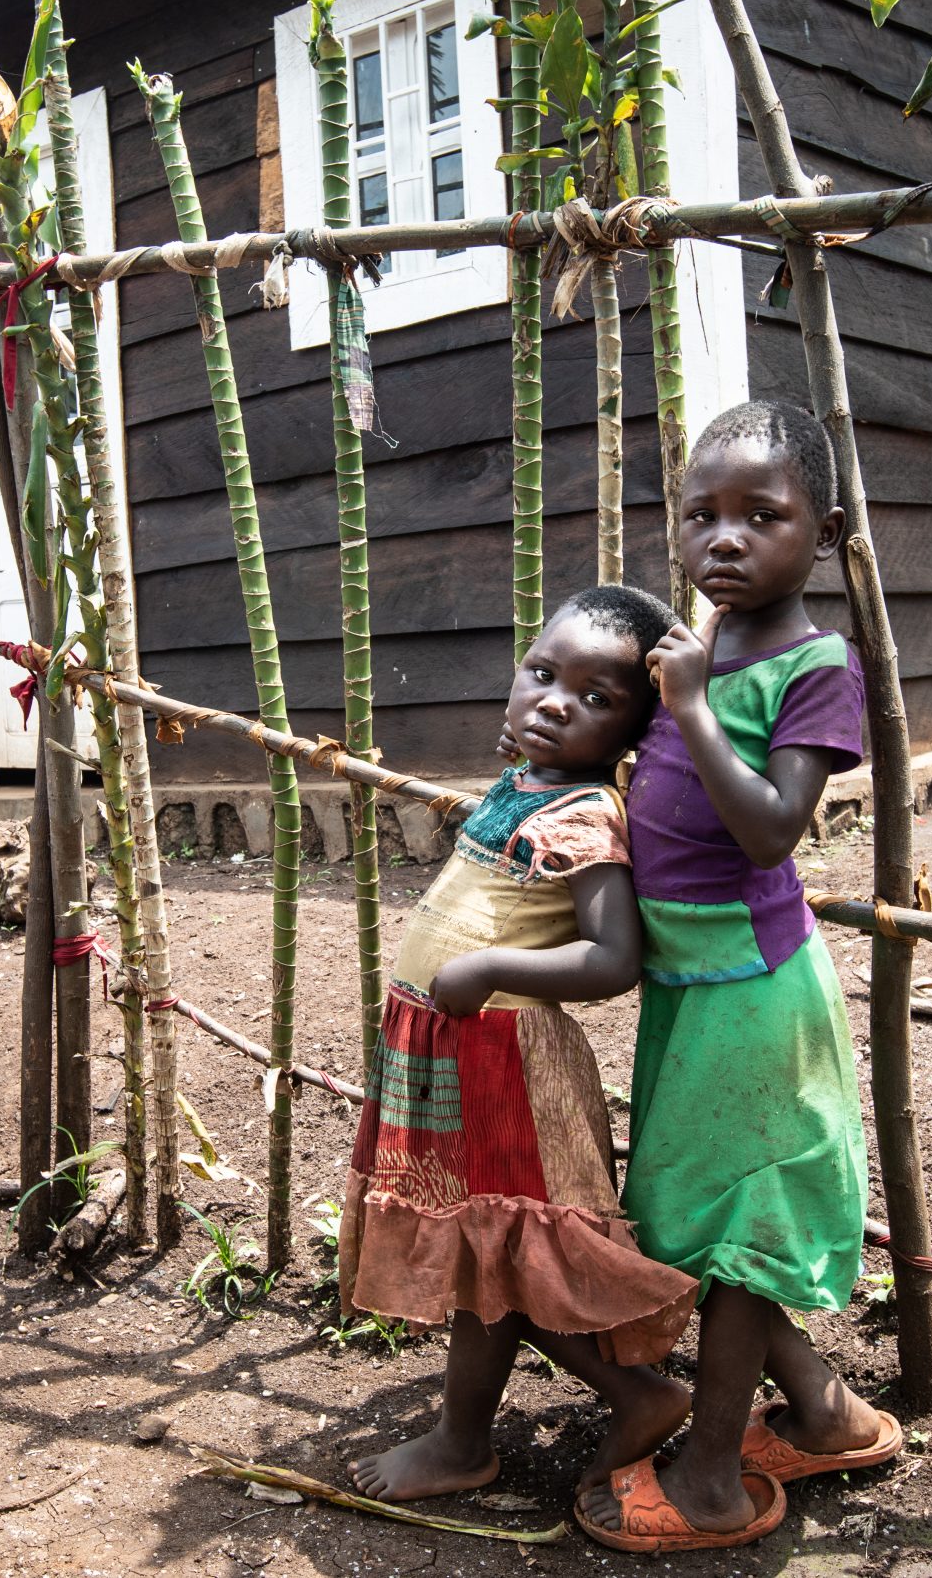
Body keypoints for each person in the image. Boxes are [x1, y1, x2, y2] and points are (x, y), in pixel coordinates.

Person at [575, 402, 901, 1554]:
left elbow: (770, 833)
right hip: (687, 984)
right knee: (713, 1216)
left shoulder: (815, 667)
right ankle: (816, 1413)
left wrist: (697, 706)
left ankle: (712, 1475)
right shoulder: (689, 651)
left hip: (757, 996)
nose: (725, 540)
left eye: (761, 516)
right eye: (702, 515)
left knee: (746, 1230)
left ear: (825, 528)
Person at [342, 586, 699, 1506]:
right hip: (442, 1050)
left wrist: (489, 963)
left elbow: (614, 955)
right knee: (481, 1249)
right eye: (540, 673)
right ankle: (617, 1396)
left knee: (498, 1248)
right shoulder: (527, 784)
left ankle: (482, 1436)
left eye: (593, 697)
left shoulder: (586, 814)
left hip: (501, 1061)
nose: (552, 701)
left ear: (631, 731)